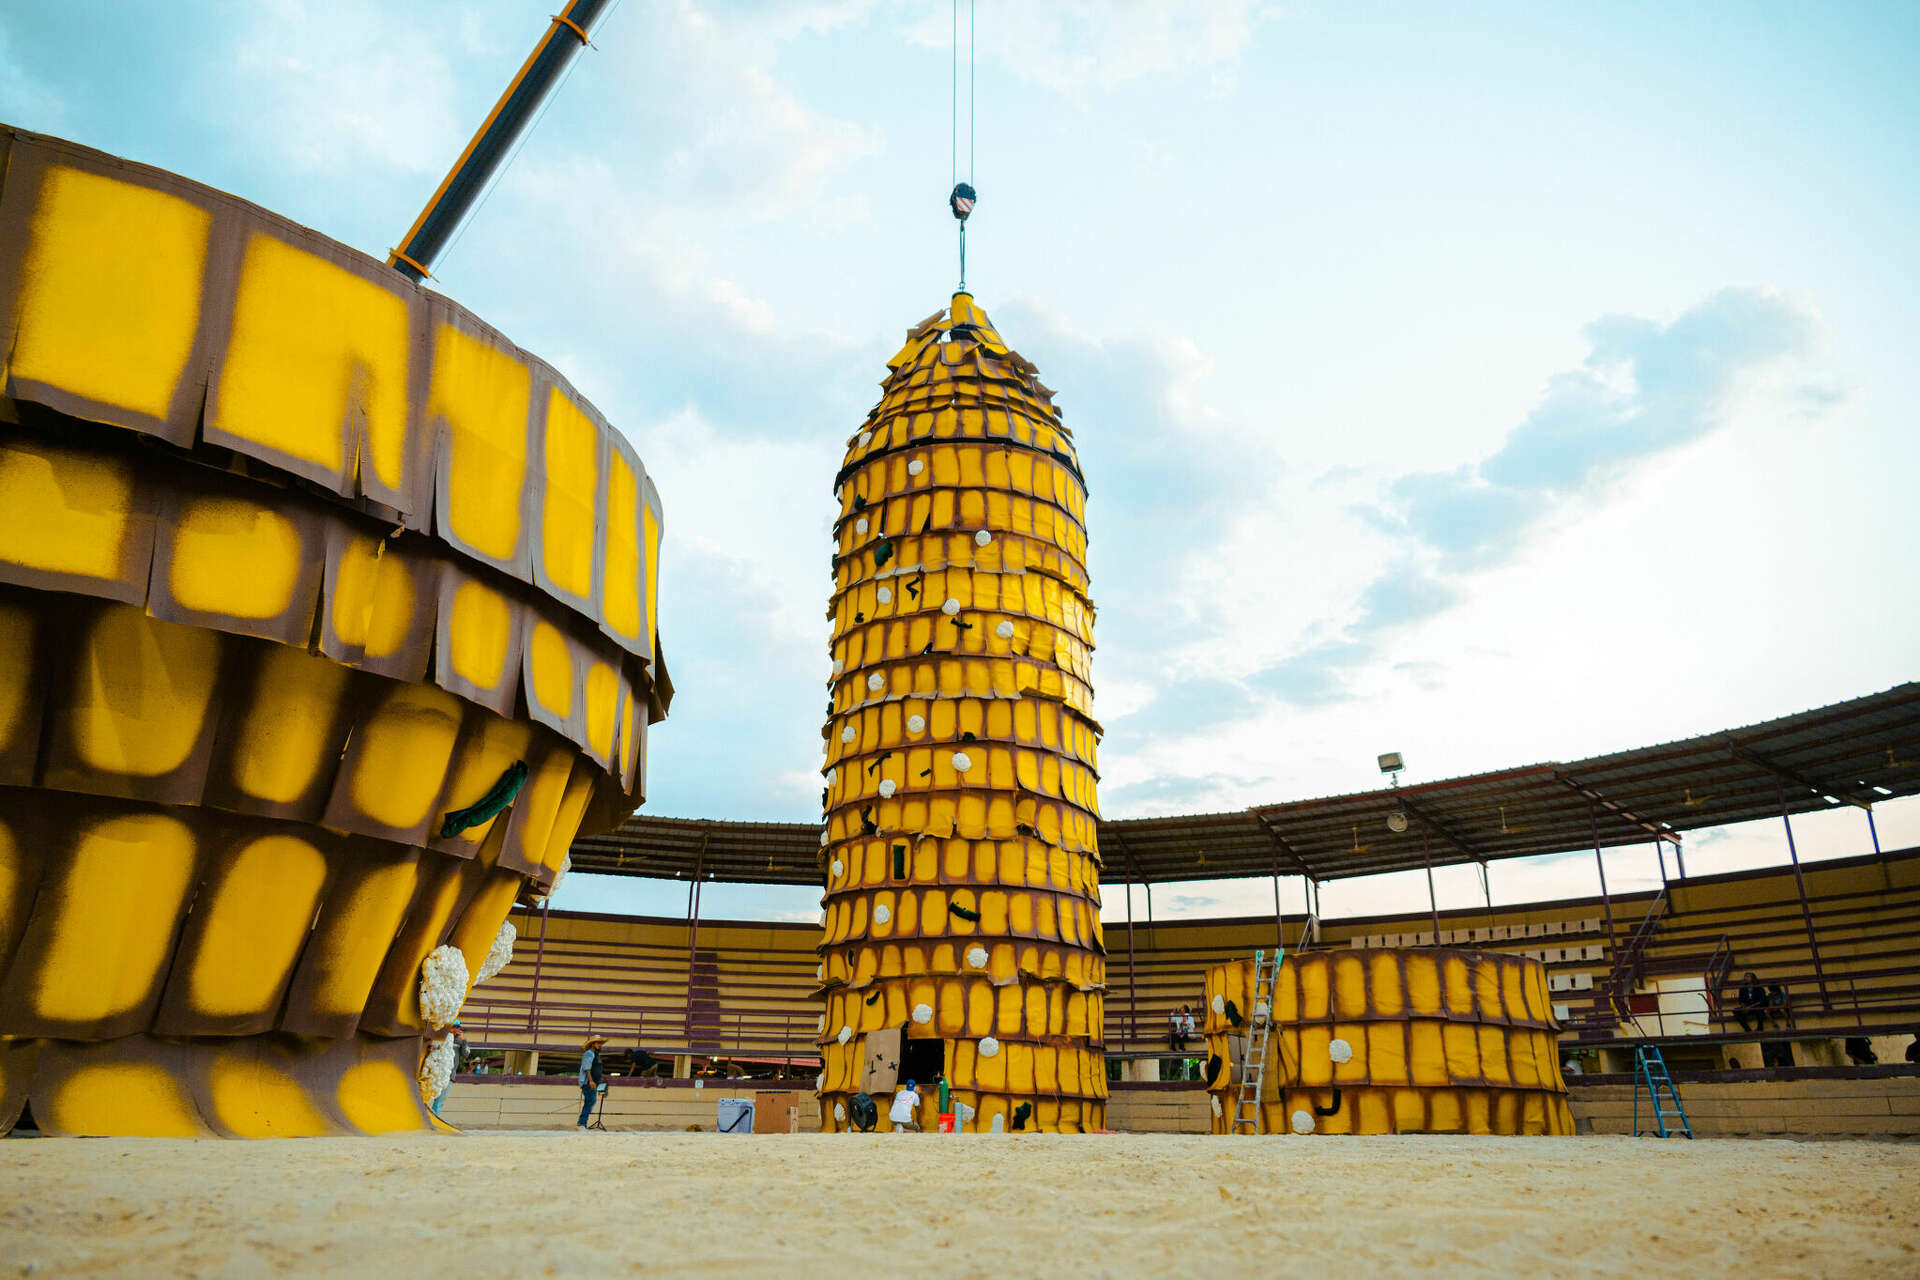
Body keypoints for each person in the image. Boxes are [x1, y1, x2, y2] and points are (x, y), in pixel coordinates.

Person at [431, 1022, 469, 1118]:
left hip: (449, 1075)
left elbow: (466, 1054)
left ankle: (435, 1118)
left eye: (457, 1027)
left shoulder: (460, 1041)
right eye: (454, 1027)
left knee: (441, 1100)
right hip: (436, 1072)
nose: (455, 1029)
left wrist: (463, 1041)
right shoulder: (441, 1037)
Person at [578, 1034, 609, 1129]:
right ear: (593, 1044)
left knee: (590, 1101)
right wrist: (591, 1081)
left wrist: (602, 1076)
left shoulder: (596, 1055)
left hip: (594, 1082)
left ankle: (582, 1123)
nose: (600, 1045)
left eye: (600, 1043)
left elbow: (595, 1068)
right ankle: (582, 1123)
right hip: (589, 1082)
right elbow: (587, 1068)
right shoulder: (589, 1053)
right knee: (590, 1101)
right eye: (598, 1043)